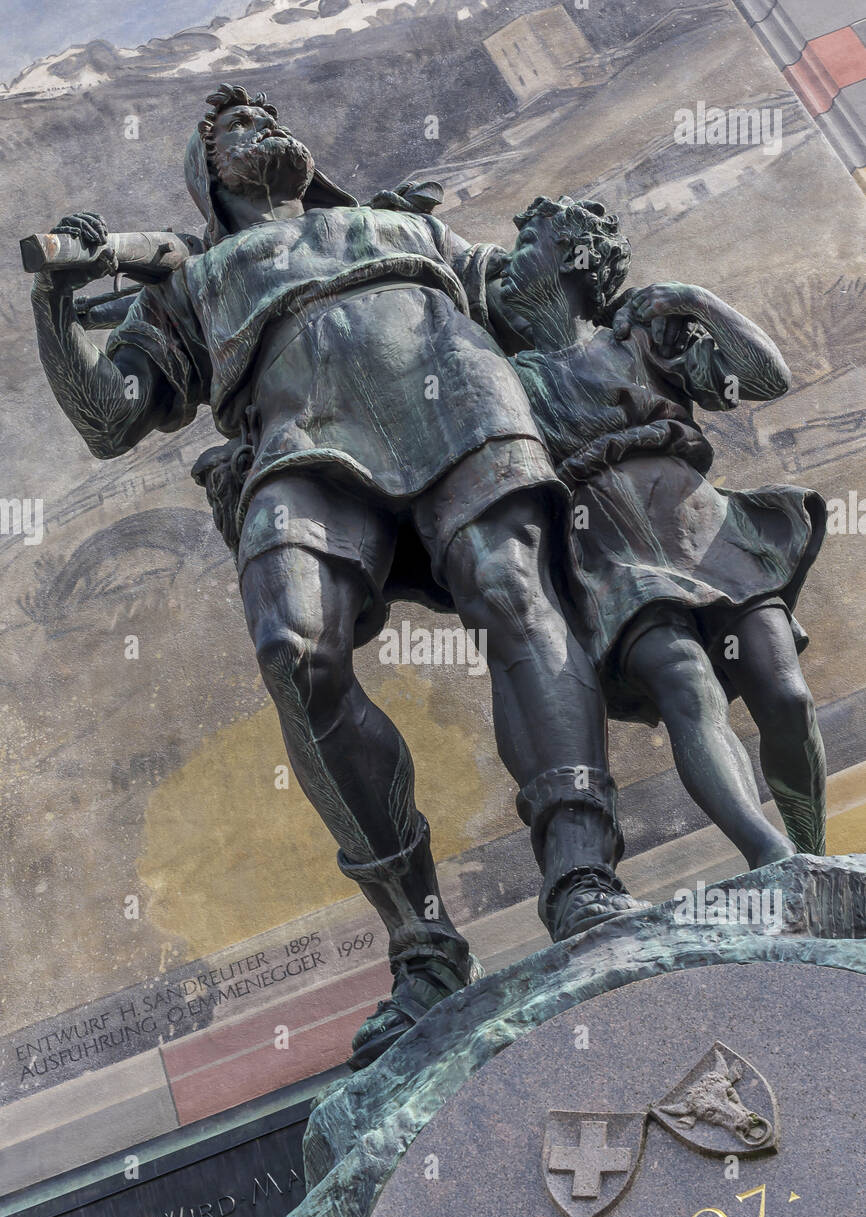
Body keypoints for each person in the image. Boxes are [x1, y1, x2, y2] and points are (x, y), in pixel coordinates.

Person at [28, 89, 643, 1070]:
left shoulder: (400, 222)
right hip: (302, 450)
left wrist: (572, 251)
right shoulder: (193, 279)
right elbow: (112, 417)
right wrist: (55, 310)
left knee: (510, 588)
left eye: (269, 119)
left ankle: (580, 872)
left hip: (460, 410)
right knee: (292, 647)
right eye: (234, 129)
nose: (262, 129)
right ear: (206, 176)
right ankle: (422, 941)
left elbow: (532, 308)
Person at [488, 194, 826, 868]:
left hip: (708, 534)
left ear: (572, 256)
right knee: (687, 687)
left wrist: (691, 299)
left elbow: (768, 377)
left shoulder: (636, 340)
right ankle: (772, 858)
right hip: (611, 561)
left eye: (527, 245)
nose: (507, 264)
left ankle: (814, 851)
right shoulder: (502, 380)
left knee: (784, 694)